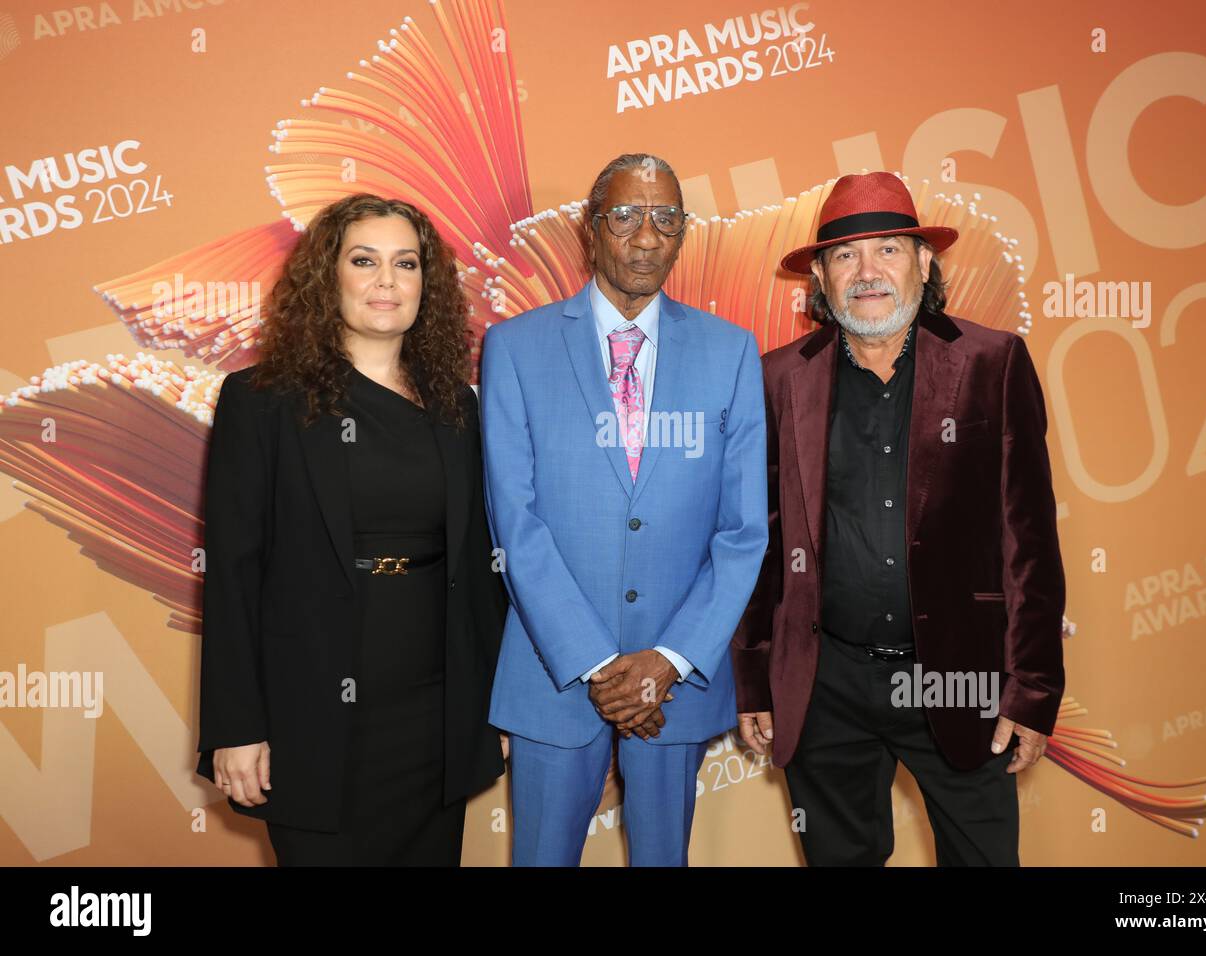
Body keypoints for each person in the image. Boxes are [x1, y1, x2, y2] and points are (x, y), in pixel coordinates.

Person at [731, 171, 1066, 866]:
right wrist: (755, 677)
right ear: (820, 278)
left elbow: (1028, 541)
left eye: (887, 249)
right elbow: (761, 542)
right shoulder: (777, 378)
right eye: (846, 256)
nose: (867, 272)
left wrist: (1031, 690)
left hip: (959, 677)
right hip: (826, 682)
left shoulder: (992, 362)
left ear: (924, 263)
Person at [196, 193, 506, 866]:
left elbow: (483, 564)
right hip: (310, 718)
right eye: (364, 261)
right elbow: (232, 574)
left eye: (407, 263)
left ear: (429, 283)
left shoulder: (457, 404)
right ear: (326, 276)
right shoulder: (261, 402)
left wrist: (498, 705)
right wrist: (236, 727)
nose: (387, 281)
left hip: (434, 717)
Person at [480, 153, 767, 866]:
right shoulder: (514, 348)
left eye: (666, 219)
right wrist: (600, 665)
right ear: (591, 228)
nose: (646, 237)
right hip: (555, 670)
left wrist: (667, 661)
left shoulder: (731, 353)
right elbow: (515, 523)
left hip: (674, 679)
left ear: (682, 233)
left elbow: (742, 533)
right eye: (627, 215)